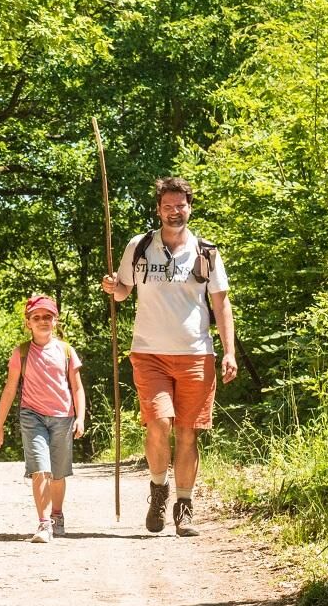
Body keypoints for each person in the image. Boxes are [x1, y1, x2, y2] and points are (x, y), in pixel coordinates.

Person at [100, 176, 239, 536]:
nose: (175, 212)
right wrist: (114, 286)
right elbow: (123, 293)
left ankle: (184, 504)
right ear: (159, 209)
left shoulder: (206, 252)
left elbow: (221, 304)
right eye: (168, 206)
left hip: (196, 354)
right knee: (159, 422)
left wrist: (229, 352)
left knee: (187, 432)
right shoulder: (140, 245)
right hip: (149, 353)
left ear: (189, 207)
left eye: (181, 205)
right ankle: (158, 489)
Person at [0, 294, 86, 542]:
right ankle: (44, 524)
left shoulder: (66, 351)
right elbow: (10, 389)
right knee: (40, 469)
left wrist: (81, 418)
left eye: (48, 316)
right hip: (32, 416)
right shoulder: (21, 353)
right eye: (37, 317)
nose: (42, 321)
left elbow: (77, 388)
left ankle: (57, 514)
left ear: (55, 321)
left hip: (63, 417)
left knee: (58, 473)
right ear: (28, 323)